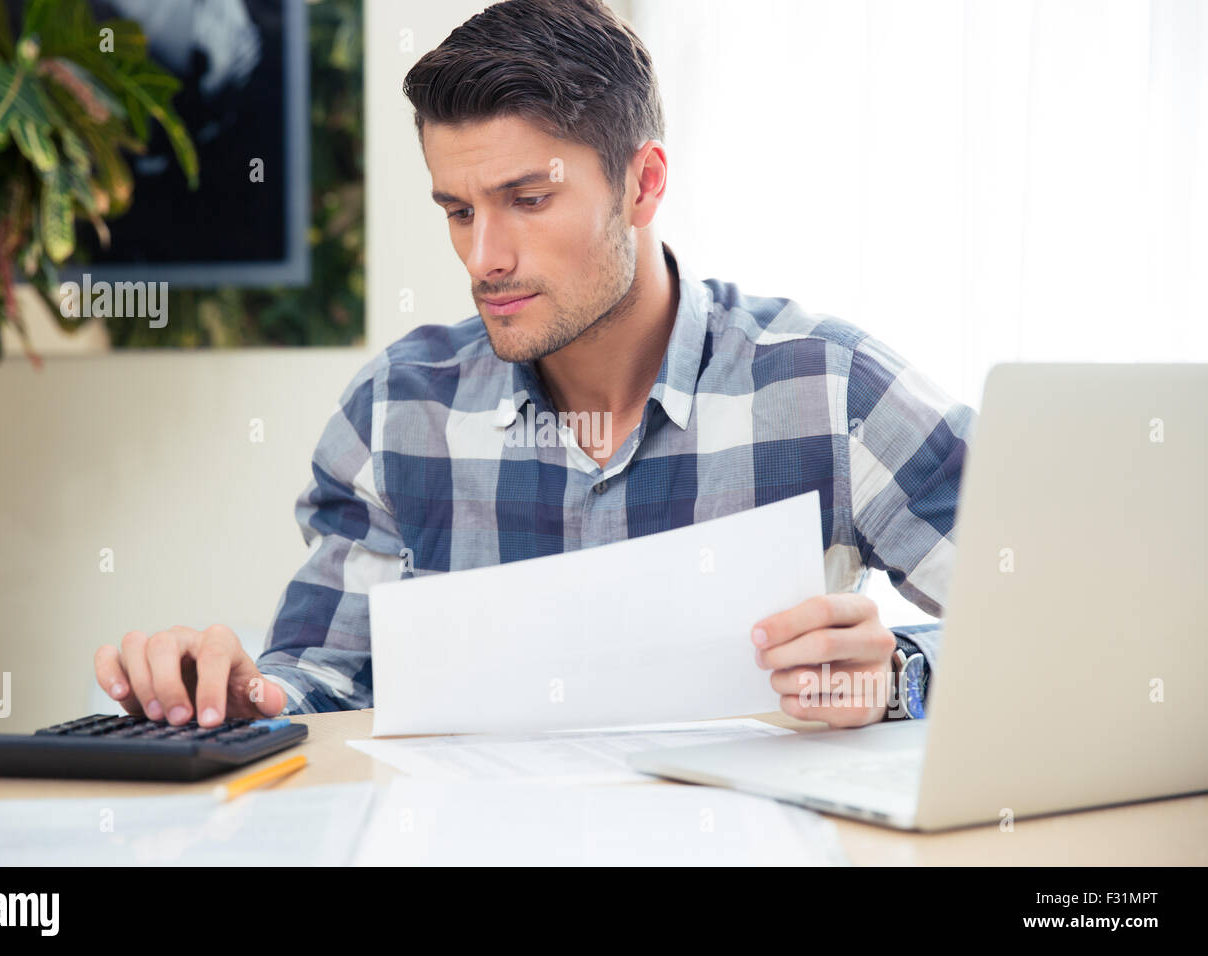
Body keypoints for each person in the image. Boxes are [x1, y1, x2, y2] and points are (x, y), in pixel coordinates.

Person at [95, 0, 973, 732]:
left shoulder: (828, 388)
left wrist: (902, 669)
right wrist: (239, 695)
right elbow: (330, 676)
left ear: (643, 184)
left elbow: (1060, 618)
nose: (485, 258)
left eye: (527, 200)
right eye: (457, 211)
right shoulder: (399, 410)